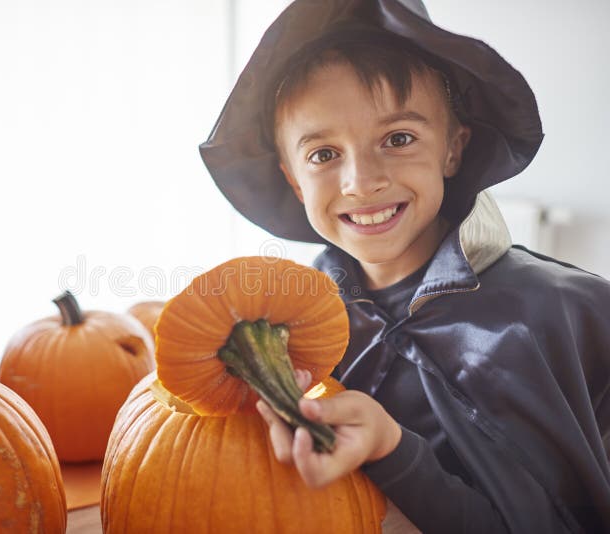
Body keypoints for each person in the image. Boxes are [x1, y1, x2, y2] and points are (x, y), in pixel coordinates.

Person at [198, 0, 610, 532]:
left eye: (398, 139)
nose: (362, 181)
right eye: (324, 154)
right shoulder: (292, 330)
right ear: (294, 180)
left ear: (452, 150)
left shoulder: (557, 316)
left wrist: (391, 448)